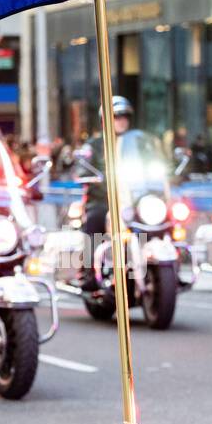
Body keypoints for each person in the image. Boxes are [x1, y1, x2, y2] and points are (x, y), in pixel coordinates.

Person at [75, 95, 134, 290]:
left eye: (124, 116)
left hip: (131, 201)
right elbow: (82, 168)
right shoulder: (94, 145)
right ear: (105, 120)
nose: (122, 121)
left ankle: (166, 265)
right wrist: (88, 175)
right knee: (95, 219)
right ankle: (88, 271)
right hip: (103, 199)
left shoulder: (137, 144)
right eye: (117, 117)